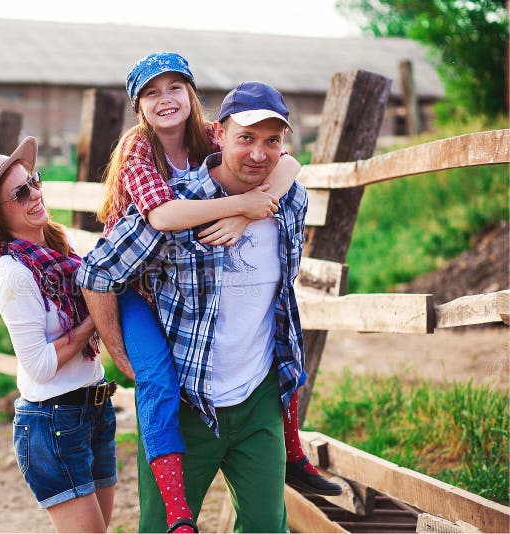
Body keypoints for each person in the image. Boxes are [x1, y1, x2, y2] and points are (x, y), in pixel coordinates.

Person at [95, 52, 340, 531]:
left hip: (257, 396)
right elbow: (126, 248)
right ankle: (179, 514)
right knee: (156, 386)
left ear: (193, 96)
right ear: (224, 135)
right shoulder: (147, 160)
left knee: (268, 525)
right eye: (245, 138)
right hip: (155, 324)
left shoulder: (284, 196)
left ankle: (293, 453)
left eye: (175, 87)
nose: (258, 153)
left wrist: (246, 210)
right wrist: (117, 352)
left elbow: (286, 166)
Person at [0, 137, 117, 533]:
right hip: (55, 421)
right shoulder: (13, 272)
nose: (35, 193)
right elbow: (40, 366)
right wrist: (96, 317)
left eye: (34, 181)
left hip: (95, 409)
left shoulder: (59, 246)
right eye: (20, 193)